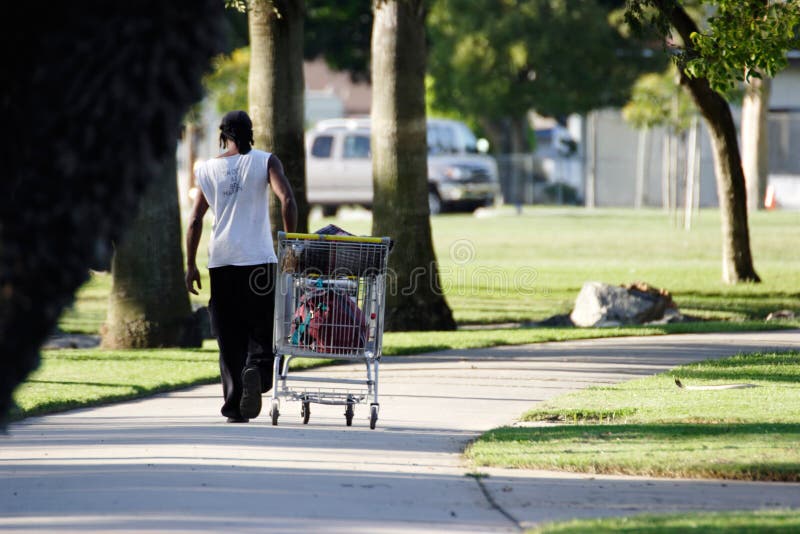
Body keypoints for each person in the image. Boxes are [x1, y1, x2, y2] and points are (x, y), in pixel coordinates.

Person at [185, 110, 297, 423]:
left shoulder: (207, 169)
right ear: (251, 132)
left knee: (228, 336)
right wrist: (290, 247)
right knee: (263, 330)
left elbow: (195, 220)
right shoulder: (266, 161)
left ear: (223, 135)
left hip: (221, 263)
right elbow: (287, 199)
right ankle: (258, 377)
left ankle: (234, 407)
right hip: (259, 260)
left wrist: (191, 265)